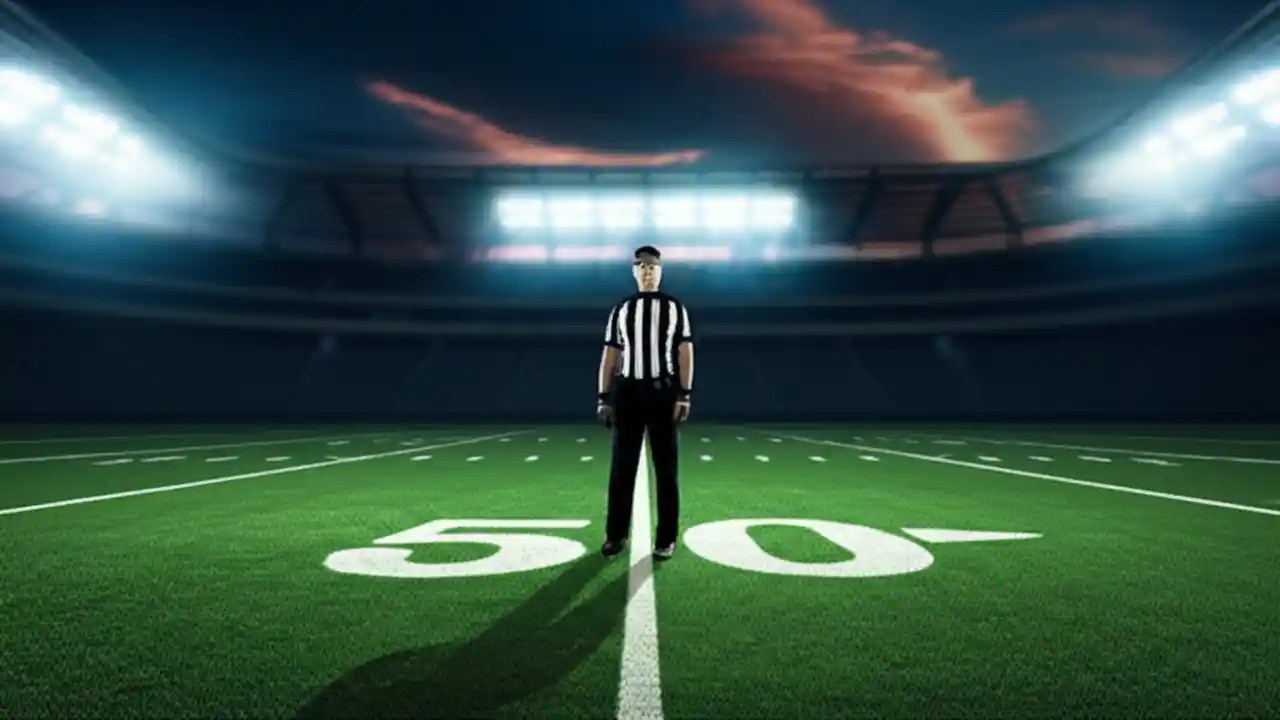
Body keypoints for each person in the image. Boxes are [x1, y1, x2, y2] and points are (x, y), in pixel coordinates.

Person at [596, 245, 693, 561]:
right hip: (628, 392)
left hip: (662, 391)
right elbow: (610, 355)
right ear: (634, 271)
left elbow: (684, 352)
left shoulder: (675, 308)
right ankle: (615, 535)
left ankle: (666, 538)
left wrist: (684, 393)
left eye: (652, 266)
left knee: (666, 469)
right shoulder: (621, 309)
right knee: (622, 468)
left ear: (660, 271)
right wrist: (603, 397)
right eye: (641, 266)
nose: (647, 271)